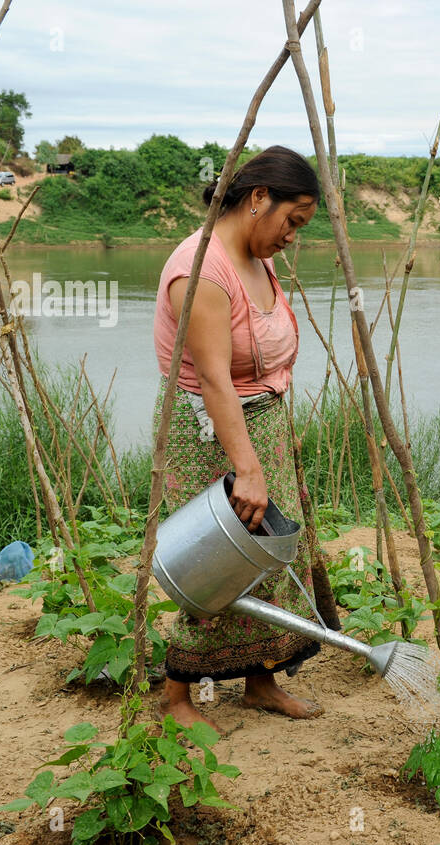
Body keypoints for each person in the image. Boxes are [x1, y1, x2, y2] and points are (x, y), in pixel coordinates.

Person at [152, 145, 332, 731]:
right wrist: (246, 467)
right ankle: (176, 697)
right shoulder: (200, 270)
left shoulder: (258, 256)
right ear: (259, 199)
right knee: (216, 559)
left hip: (262, 422)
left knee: (271, 554)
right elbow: (213, 379)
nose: (291, 237)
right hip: (208, 430)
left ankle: (261, 681)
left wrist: (269, 439)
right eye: (291, 222)